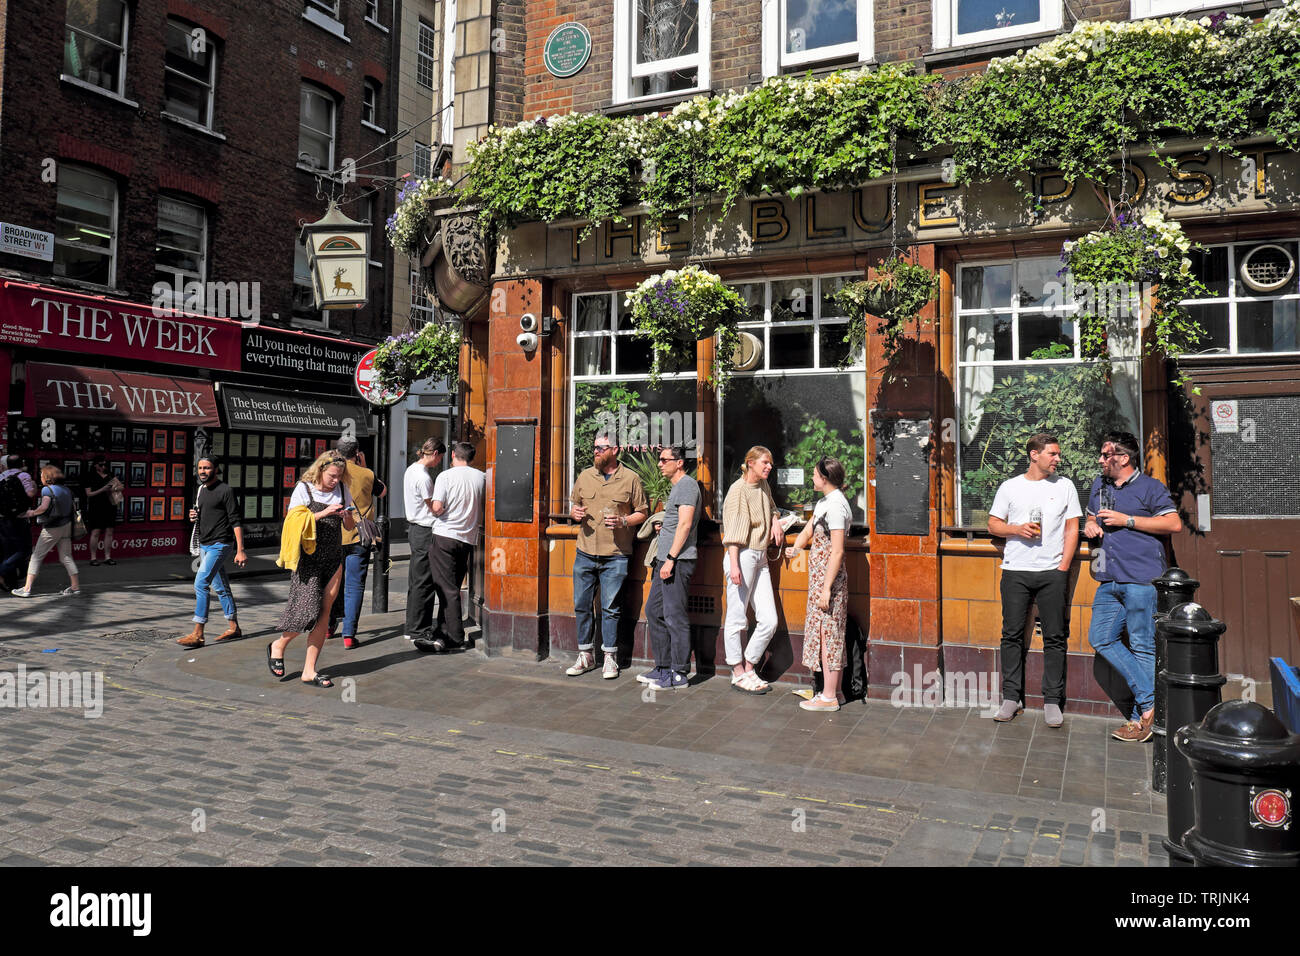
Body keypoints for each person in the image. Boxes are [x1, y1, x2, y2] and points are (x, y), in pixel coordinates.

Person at [1084, 430, 1181, 742]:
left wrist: (1127, 520)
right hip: (1107, 578)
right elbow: (1090, 515)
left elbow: (1172, 523)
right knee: (1100, 637)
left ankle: (1142, 719)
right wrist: (1088, 524)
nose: (1100, 460)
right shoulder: (1100, 485)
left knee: (1142, 645)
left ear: (1122, 458)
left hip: (1142, 580)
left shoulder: (1151, 487)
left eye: (1105, 454)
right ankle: (1154, 705)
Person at [986, 433, 1082, 728]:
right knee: (1011, 634)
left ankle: (1053, 701)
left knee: (1055, 637)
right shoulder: (1010, 487)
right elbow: (993, 524)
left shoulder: (1065, 486)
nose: (1057, 459)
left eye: (1057, 454)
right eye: (1052, 454)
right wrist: (1016, 529)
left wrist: (1062, 568)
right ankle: (1011, 698)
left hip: (1052, 573)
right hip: (1015, 571)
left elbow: (1072, 528)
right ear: (1034, 455)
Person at [268, 453, 356, 687]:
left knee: (325, 614)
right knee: (308, 611)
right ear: (320, 470)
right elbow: (292, 522)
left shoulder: (344, 490)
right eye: (332, 476)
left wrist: (346, 516)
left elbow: (350, 525)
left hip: (333, 557)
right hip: (308, 558)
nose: (335, 481)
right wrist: (324, 513)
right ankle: (279, 645)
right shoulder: (304, 489)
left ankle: (309, 670)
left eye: (339, 477)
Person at [566, 434, 649, 679]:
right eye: (594, 448)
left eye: (601, 448)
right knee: (582, 605)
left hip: (615, 555)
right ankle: (585, 655)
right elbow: (573, 508)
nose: (596, 452)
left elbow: (642, 512)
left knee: (610, 608)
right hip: (585, 552)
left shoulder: (631, 478)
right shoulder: (585, 476)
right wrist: (575, 514)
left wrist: (624, 520)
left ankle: (610, 657)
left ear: (615, 450)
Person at [784, 457, 852, 711]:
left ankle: (830, 696)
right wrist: (796, 548)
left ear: (825, 478)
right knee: (825, 634)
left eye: (814, 474)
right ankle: (834, 692)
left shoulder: (836, 506)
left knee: (830, 635)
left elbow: (837, 552)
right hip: (819, 581)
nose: (812, 478)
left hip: (829, 583)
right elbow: (808, 530)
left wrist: (826, 588)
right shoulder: (825, 502)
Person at [721, 446, 784, 694]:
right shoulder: (738, 491)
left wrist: (776, 521)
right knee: (737, 617)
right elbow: (733, 532)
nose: (769, 467)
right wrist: (734, 564)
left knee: (769, 620)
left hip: (760, 558)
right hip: (742, 555)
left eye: (770, 463)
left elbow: (771, 507)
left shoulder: (763, 486)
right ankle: (737, 671)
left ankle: (749, 666)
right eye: (765, 463)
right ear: (751, 463)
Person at [639, 444, 700, 691]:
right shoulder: (677, 488)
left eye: (664, 460)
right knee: (654, 611)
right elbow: (677, 522)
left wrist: (672, 558)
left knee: (674, 615)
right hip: (665, 560)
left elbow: (685, 525)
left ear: (679, 462)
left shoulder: (686, 485)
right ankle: (663, 667)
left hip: (677, 561)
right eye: (659, 459)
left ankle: (679, 673)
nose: (660, 464)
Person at [415, 441, 486, 654]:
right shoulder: (481, 477)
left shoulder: (445, 476)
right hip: (467, 537)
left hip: (445, 535)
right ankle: (442, 630)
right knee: (453, 583)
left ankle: (455, 637)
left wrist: (437, 510)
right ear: (471, 457)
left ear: (453, 455)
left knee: (446, 587)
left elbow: (437, 507)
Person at [177, 457, 247, 647]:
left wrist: (240, 550)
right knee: (221, 586)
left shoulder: (225, 490)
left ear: (216, 469)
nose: (203, 471)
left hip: (220, 544)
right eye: (200, 468)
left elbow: (236, 520)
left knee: (200, 584)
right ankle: (234, 627)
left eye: (207, 468)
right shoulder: (200, 490)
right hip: (205, 544)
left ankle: (198, 633)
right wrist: (194, 516)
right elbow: (203, 514)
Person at [330, 436, 387, 649]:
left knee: (333, 584)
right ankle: (348, 635)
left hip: (334, 537)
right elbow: (382, 491)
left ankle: (327, 626)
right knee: (354, 585)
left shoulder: (331, 471)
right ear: (357, 453)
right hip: (357, 537)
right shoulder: (367, 474)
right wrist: (364, 467)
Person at [12, 465, 79, 598]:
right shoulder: (67, 489)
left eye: (42, 474)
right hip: (67, 526)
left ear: (47, 477)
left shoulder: (47, 490)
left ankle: (26, 588)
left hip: (52, 527)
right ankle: (75, 586)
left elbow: (43, 507)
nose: (41, 477)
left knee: (36, 557)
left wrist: (31, 513)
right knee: (66, 557)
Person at [402, 439, 445, 640]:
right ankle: (419, 629)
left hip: (414, 528)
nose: (440, 462)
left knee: (416, 580)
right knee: (424, 581)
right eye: (441, 458)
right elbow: (434, 508)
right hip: (425, 530)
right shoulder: (424, 478)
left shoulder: (411, 470)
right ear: (435, 453)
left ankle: (412, 627)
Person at [0, 454, 38, 592]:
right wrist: (34, 487)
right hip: (20, 518)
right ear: (21, 463)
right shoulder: (23, 476)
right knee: (25, 549)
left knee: (8, 550)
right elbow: (29, 495)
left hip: (4, 519)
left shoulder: (1, 476)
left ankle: (11, 582)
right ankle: (3, 571)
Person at [84, 458, 120, 566]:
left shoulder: (110, 474)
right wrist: (102, 489)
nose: (104, 467)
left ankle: (107, 557)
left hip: (110, 505)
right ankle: (93, 557)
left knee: (109, 531)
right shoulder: (90, 476)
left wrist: (113, 488)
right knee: (96, 532)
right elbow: (88, 494)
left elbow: (121, 486)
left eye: (105, 465)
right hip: (96, 506)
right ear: (95, 465)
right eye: (101, 464)